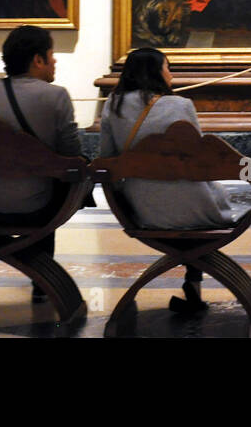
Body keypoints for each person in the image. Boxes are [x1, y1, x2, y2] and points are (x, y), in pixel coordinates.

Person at [98, 47, 235, 313]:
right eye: (168, 67)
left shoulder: (112, 106)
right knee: (197, 205)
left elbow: (106, 161)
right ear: (156, 72)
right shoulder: (181, 105)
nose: (171, 74)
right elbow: (201, 162)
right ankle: (193, 282)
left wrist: (127, 198)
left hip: (144, 211)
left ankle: (192, 284)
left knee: (182, 206)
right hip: (195, 209)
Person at [0, 26, 82, 297]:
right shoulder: (56, 96)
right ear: (37, 59)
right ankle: (41, 278)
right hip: (38, 208)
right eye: (52, 55)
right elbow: (71, 154)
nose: (55, 61)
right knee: (55, 183)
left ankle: (38, 274)